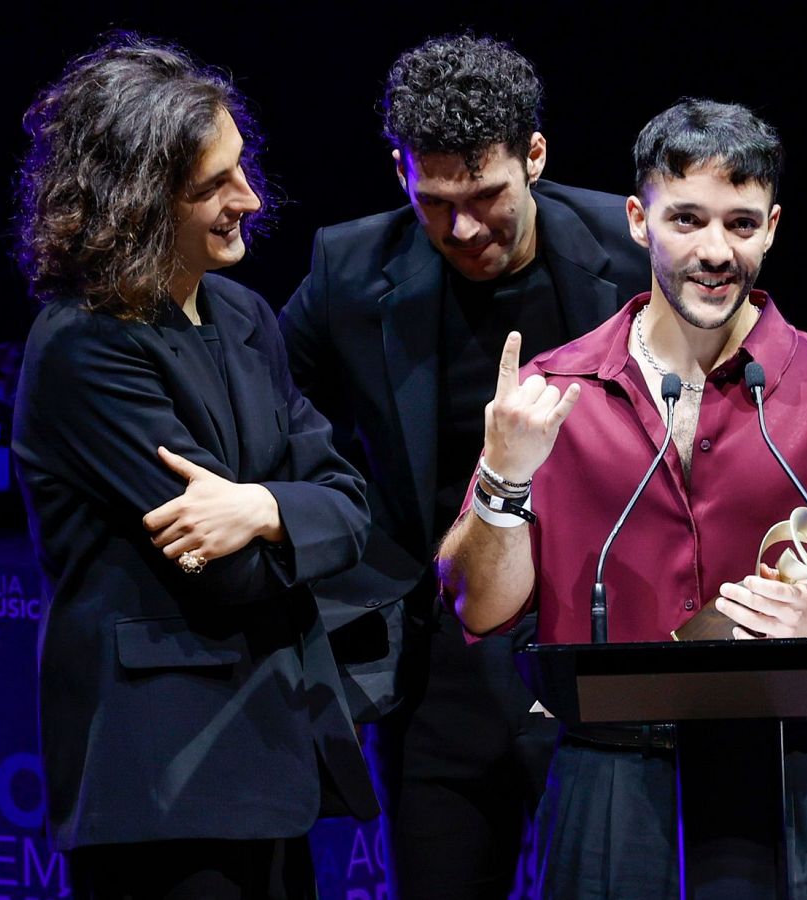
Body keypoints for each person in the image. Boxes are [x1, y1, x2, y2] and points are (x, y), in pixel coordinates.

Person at [437, 98, 807, 900]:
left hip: (784, 770)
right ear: (639, 220)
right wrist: (504, 478)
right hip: (605, 772)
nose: (715, 251)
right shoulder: (553, 392)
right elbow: (477, 607)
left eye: (741, 224)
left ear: (772, 227)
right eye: (687, 220)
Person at [279, 33, 651, 899]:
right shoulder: (350, 270)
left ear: (536, 155)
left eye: (486, 194)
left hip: (597, 647)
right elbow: (266, 407)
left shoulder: (634, 252)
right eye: (435, 201)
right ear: (401, 172)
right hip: (438, 662)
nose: (465, 227)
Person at [11, 34, 378, 898]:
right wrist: (287, 518)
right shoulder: (85, 348)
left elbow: (351, 504)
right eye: (214, 185)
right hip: (163, 781)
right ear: (140, 201)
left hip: (273, 754)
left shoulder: (246, 315)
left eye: (239, 169)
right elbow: (230, 579)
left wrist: (259, 505)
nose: (248, 198)